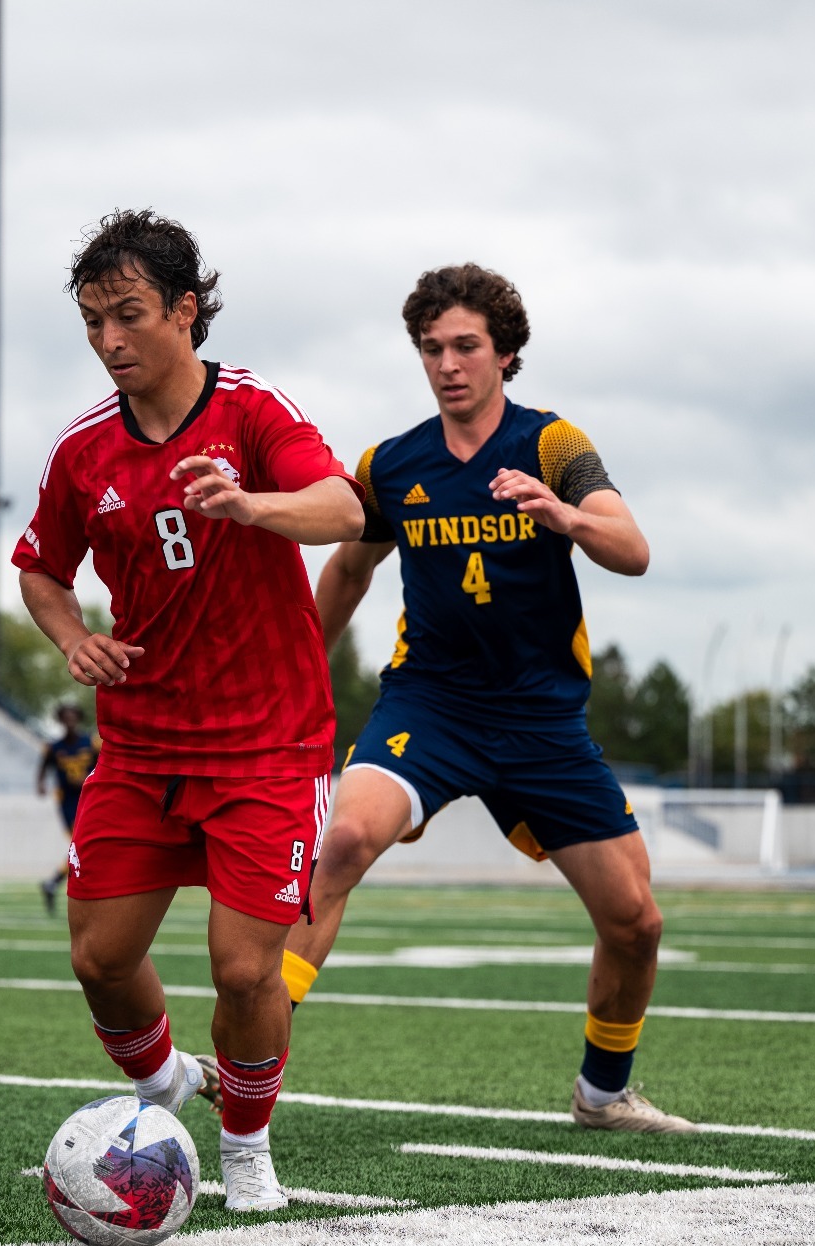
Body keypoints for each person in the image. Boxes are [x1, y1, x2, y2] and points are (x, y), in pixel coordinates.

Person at [279, 263, 693, 1134]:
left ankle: (603, 1093)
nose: (447, 364)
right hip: (427, 706)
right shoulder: (390, 464)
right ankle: (249, 1056)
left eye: (465, 345)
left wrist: (565, 515)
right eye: (431, 348)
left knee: (637, 921)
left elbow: (633, 547)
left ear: (506, 353)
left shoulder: (553, 446)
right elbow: (350, 567)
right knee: (343, 840)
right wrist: (297, 668)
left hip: (541, 720)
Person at [14, 209, 363, 1212]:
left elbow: (341, 508)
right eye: (91, 323)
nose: (109, 342)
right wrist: (70, 634)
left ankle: (246, 1152)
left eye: (127, 316)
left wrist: (251, 504)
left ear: (185, 310)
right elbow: (39, 567)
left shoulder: (253, 413)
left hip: (265, 747)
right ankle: (163, 1087)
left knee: (245, 971)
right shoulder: (81, 451)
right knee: (98, 957)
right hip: (139, 745)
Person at [36, 703, 98, 916]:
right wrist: (41, 783)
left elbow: (103, 764)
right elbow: (43, 767)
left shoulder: (90, 743)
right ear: (61, 720)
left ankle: (53, 883)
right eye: (66, 718)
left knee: (83, 847)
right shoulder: (54, 747)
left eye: (73, 717)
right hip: (68, 803)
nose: (70, 722)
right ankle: (56, 883)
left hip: (89, 799)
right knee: (79, 845)